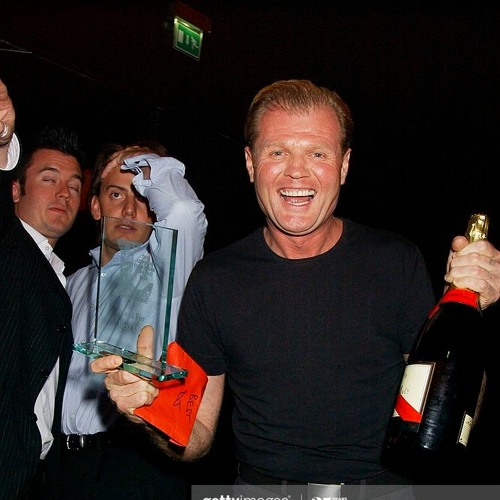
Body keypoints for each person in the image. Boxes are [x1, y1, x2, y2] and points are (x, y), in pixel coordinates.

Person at [91, 80, 500, 496]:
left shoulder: (395, 262)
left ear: (344, 165)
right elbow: (195, 437)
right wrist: (152, 411)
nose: (297, 171)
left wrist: (476, 311)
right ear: (251, 163)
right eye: (277, 152)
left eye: (318, 153)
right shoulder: (214, 279)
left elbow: (448, 406)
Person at [52, 140, 208, 499]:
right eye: (116, 194)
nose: (129, 209)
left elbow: (184, 210)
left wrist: (140, 162)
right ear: (95, 206)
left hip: (137, 464)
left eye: (143, 198)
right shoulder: (69, 284)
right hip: (64, 466)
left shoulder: (170, 272)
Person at [0, 79, 85, 499]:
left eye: (74, 185)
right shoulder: (9, 245)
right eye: (49, 179)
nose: (64, 193)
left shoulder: (61, 276)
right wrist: (3, 142)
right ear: (16, 189)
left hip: (32, 478)